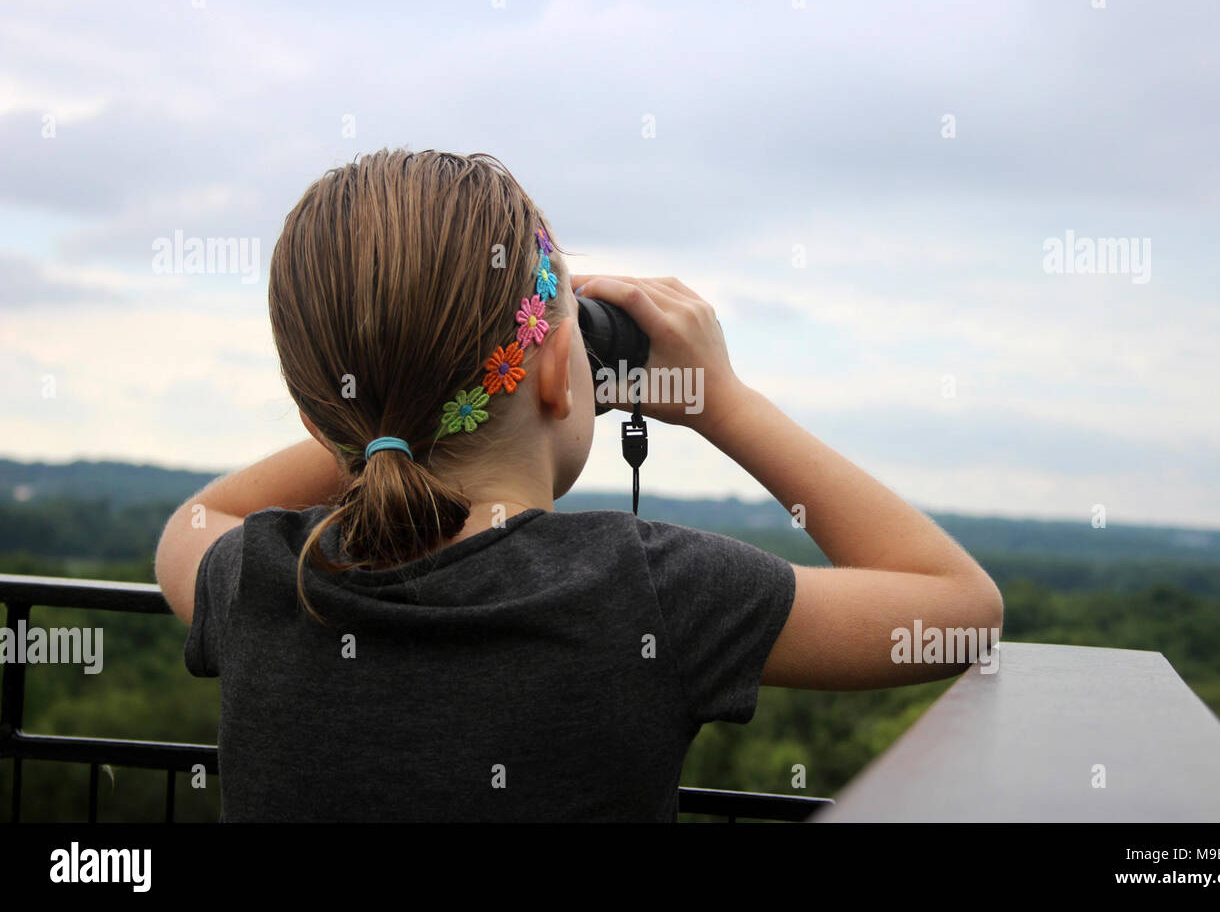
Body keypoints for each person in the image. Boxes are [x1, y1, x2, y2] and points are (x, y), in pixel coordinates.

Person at [154, 148, 1002, 821]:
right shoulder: (647, 591)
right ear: (565, 370)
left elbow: (195, 520)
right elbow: (960, 612)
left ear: (314, 414)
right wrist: (721, 402)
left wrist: (377, 403)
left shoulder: (263, 579)